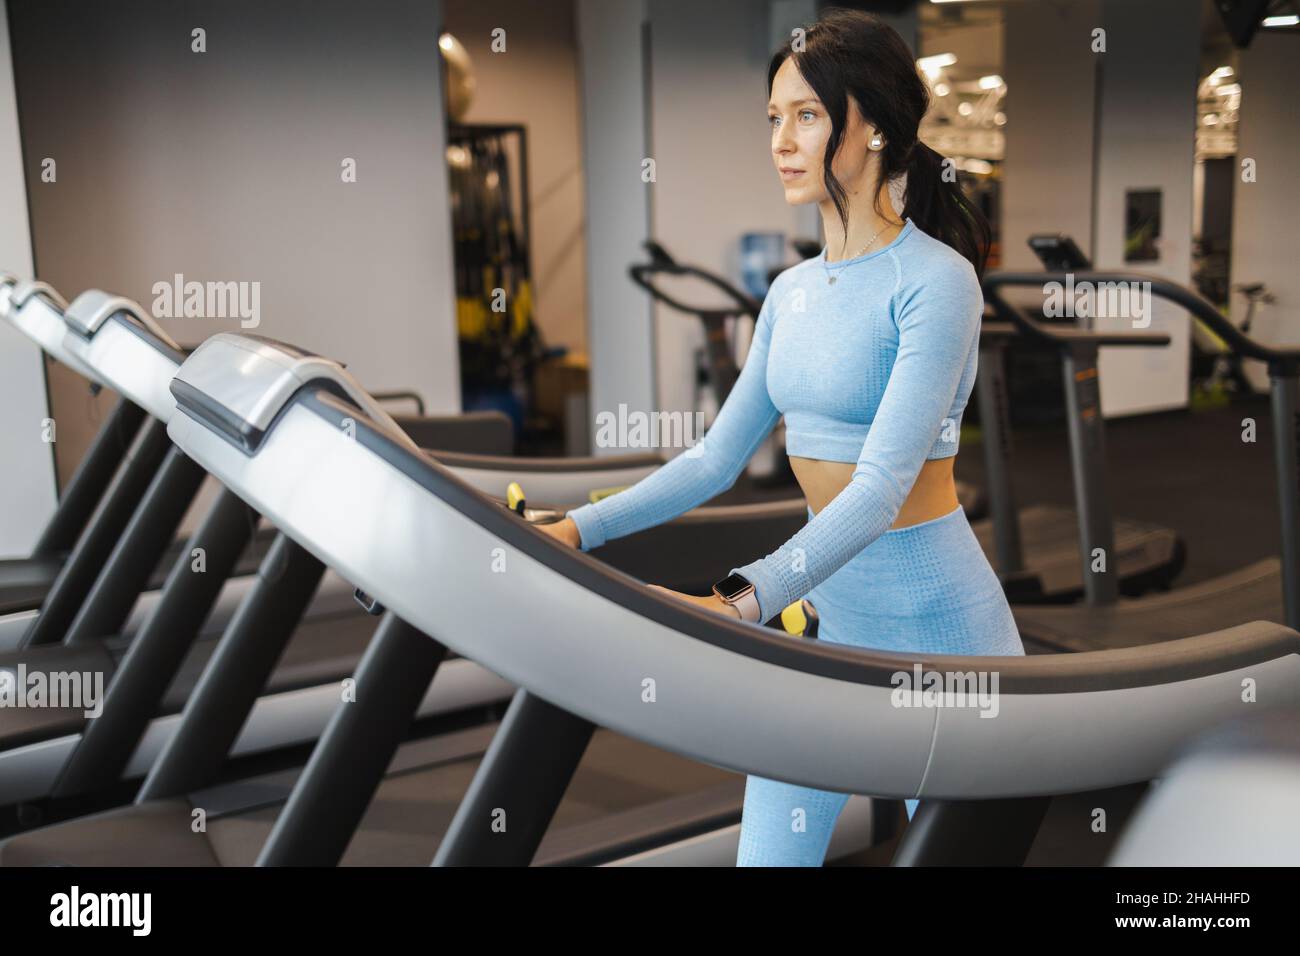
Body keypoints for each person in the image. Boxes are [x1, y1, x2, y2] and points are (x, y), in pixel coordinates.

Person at [540, 8, 1025, 866]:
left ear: (870, 125)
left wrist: (742, 597)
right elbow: (712, 459)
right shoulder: (791, 293)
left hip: (943, 640)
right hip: (837, 632)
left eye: (805, 115)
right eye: (774, 118)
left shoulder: (938, 284)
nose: (781, 140)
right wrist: (582, 528)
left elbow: (877, 493)